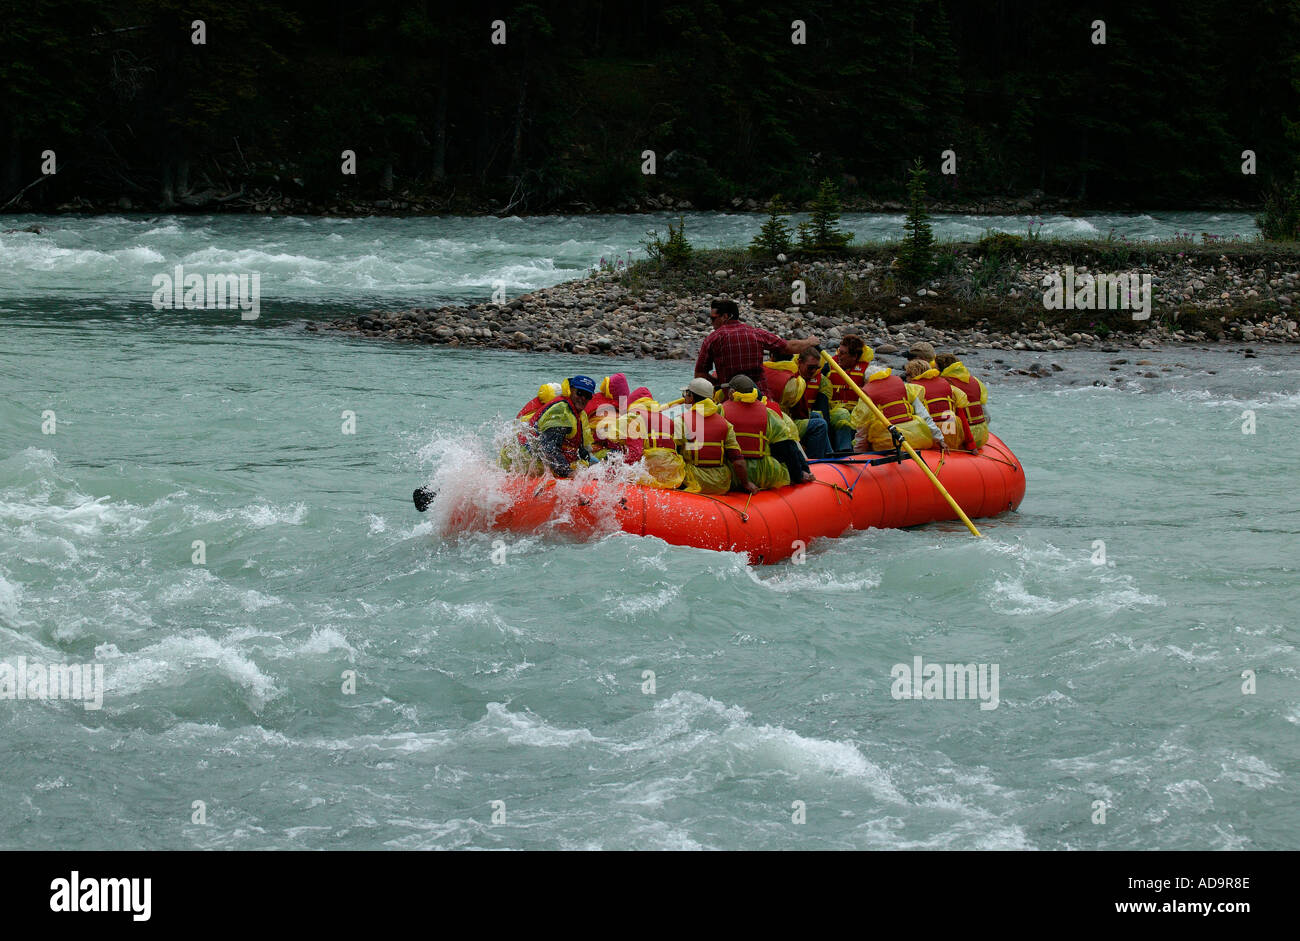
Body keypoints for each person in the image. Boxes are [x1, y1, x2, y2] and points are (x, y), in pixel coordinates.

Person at [694, 298, 820, 397]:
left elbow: (700, 375)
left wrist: (719, 384)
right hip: (761, 398)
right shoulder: (756, 333)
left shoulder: (712, 339)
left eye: (713, 318)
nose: (711, 322)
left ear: (726, 316)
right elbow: (788, 347)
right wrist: (809, 341)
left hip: (731, 398)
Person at [721, 374, 805, 488]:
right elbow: (787, 448)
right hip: (765, 474)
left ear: (731, 393)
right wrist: (798, 475)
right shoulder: (769, 414)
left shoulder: (720, 412)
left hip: (733, 475)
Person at [674, 378, 754, 494]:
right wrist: (746, 484)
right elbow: (738, 462)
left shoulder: (680, 421)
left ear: (691, 397)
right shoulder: (726, 425)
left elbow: (671, 455)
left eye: (686, 393)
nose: (684, 396)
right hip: (720, 484)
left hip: (691, 482)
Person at [849, 359, 947, 453]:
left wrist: (858, 453)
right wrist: (940, 439)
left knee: (873, 428)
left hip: (888, 443)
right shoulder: (906, 388)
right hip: (918, 438)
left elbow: (862, 431)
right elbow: (925, 416)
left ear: (867, 381)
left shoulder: (867, 396)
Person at [760, 349, 833, 458]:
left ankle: (830, 455)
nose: (813, 371)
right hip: (781, 422)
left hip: (769, 417)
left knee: (817, 416)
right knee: (820, 425)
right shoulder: (795, 382)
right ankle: (816, 463)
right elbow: (800, 413)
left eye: (817, 368)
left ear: (771, 357)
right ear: (798, 362)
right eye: (810, 367)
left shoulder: (761, 371)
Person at [530, 375, 599, 477]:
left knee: (595, 463)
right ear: (571, 390)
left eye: (587, 395)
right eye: (579, 393)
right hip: (530, 461)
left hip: (557, 460)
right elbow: (549, 448)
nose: (583, 398)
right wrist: (568, 472)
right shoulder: (561, 411)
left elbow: (581, 449)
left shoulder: (580, 414)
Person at [625, 391, 687, 489]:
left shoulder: (635, 417)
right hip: (675, 476)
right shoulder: (669, 420)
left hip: (651, 473)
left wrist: (619, 469)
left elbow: (635, 453)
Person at [907, 359, 973, 451]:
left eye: (907, 375)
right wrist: (971, 444)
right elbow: (961, 415)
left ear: (912, 374)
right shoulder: (948, 385)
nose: (906, 378)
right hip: (953, 431)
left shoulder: (913, 389)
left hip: (933, 434)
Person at [826, 335, 874, 452]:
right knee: (842, 415)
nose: (839, 356)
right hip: (834, 413)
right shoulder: (828, 367)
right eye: (839, 352)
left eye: (843, 353)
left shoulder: (867, 371)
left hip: (857, 414)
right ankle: (844, 451)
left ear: (854, 357)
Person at [936, 353, 991, 450]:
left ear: (941, 368)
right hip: (982, 435)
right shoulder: (975, 380)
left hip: (964, 438)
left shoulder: (944, 384)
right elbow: (986, 414)